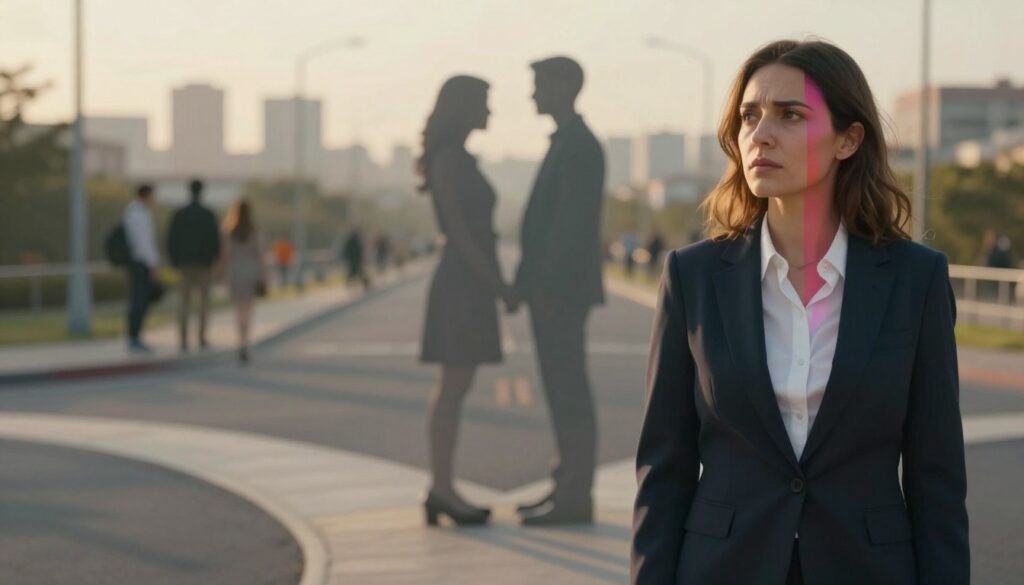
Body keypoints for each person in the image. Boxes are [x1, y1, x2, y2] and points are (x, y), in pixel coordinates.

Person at [631, 40, 969, 585]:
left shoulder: (915, 280)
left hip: (867, 568)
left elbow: (938, 478)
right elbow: (663, 470)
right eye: (749, 116)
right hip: (722, 568)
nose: (760, 134)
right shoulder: (692, 277)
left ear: (848, 139)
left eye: (790, 115)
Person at [511, 56, 606, 525]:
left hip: (561, 292)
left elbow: (567, 230)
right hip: (552, 289)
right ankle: (565, 482)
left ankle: (574, 494)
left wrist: (541, 287)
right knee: (559, 387)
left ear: (565, 85)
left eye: (538, 84)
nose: (532, 94)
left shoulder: (579, 147)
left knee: (568, 389)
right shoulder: (567, 143)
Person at [417, 75, 516, 527]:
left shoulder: (456, 158)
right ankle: (442, 488)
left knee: (454, 387)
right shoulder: (451, 160)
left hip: (467, 282)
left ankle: (443, 487)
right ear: (464, 108)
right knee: (452, 388)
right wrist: (499, 285)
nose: (491, 111)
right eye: (485, 102)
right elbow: (461, 234)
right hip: (462, 284)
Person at [167, 178, 221, 352]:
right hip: (204, 265)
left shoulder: (180, 214)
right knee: (204, 303)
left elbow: (171, 239)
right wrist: (214, 259)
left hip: (184, 264)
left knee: (184, 303)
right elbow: (215, 241)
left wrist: (174, 260)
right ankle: (201, 337)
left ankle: (183, 340)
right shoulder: (208, 214)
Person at [216, 199, 267, 365]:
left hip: (236, 272)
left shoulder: (229, 230)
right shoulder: (255, 230)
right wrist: (264, 275)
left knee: (238, 309)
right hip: (251, 271)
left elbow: (226, 255)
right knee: (248, 309)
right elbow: (260, 254)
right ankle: (245, 341)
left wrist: (221, 273)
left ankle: (240, 339)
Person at [123, 183, 161, 353]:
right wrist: (153, 264)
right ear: (146, 195)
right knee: (139, 301)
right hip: (141, 263)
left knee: (138, 300)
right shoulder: (139, 214)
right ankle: (134, 337)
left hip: (137, 262)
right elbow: (145, 243)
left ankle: (135, 336)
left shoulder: (133, 212)